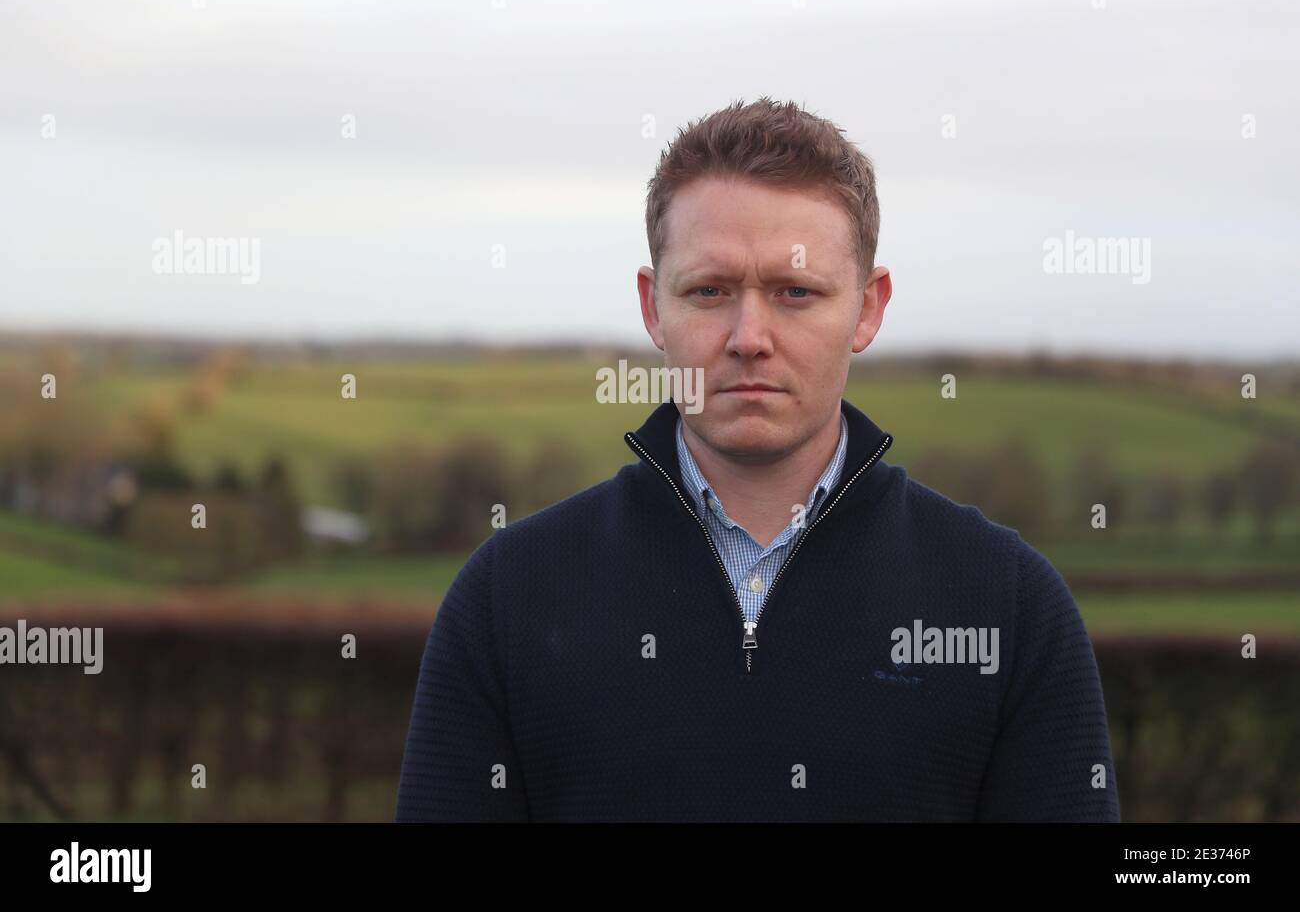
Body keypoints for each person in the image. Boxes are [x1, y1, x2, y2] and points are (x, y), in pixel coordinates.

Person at [395, 97, 1119, 821]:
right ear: (653, 308)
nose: (750, 336)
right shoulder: (509, 596)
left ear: (868, 308)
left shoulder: (1008, 605)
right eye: (710, 291)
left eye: (795, 293)